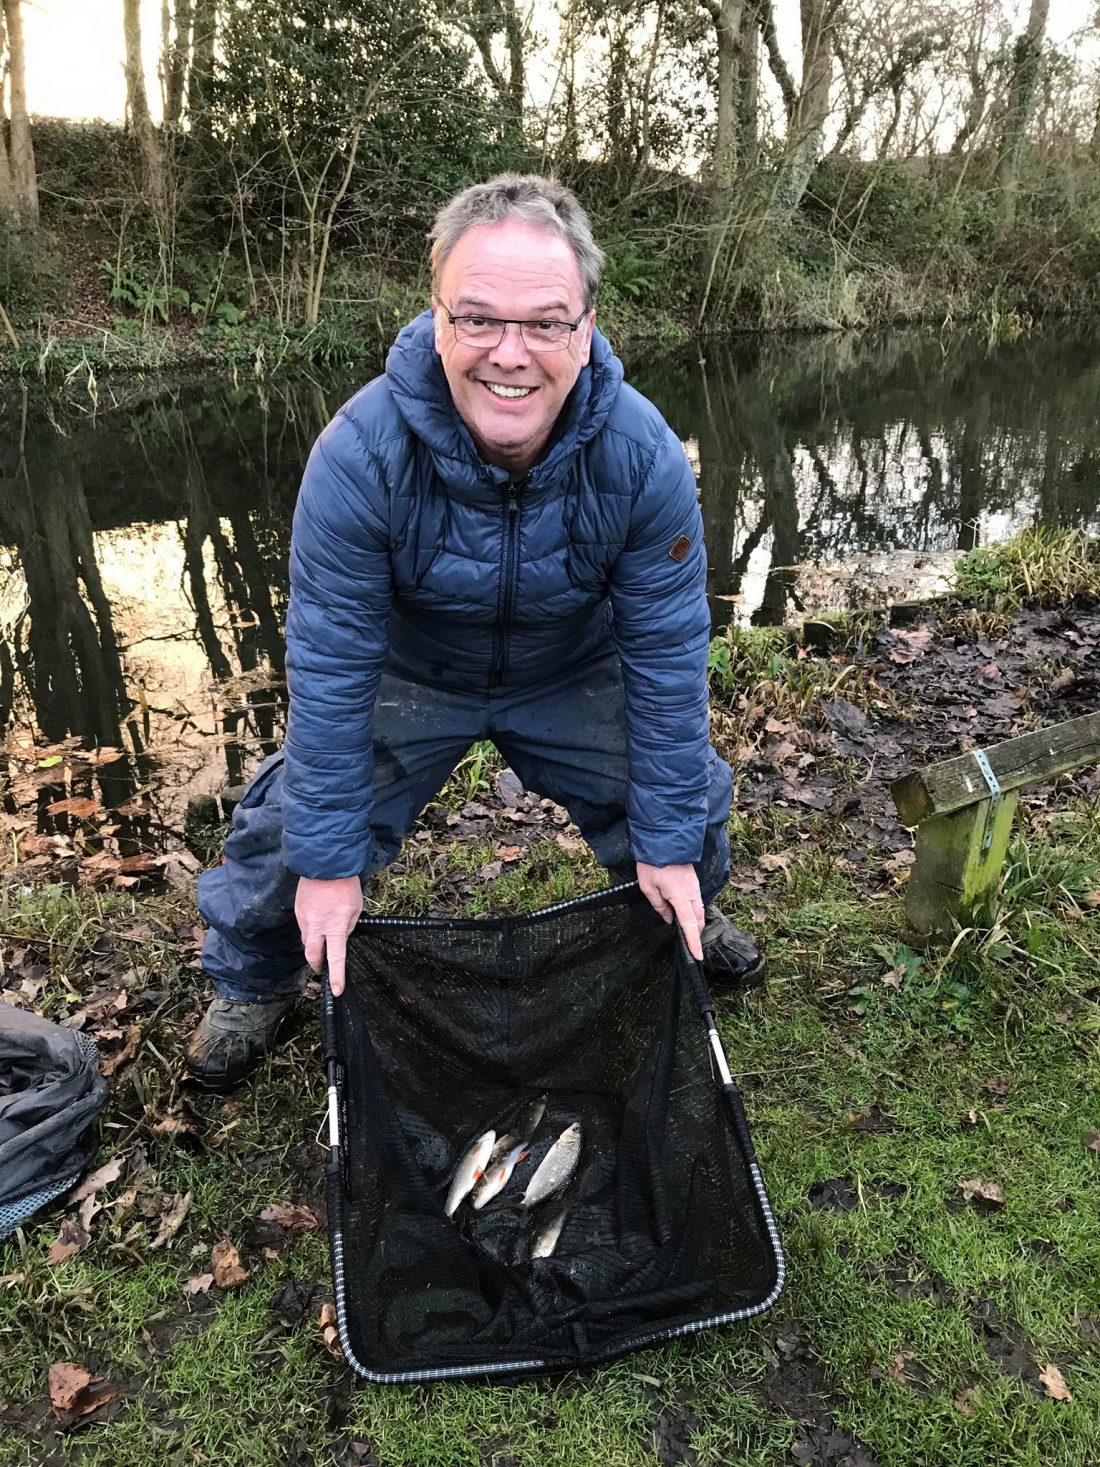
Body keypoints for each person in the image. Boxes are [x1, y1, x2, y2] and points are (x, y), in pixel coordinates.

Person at [186, 174, 763, 1090]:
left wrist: (666, 840)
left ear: (585, 330)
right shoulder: (358, 455)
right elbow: (332, 667)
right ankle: (254, 979)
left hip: (569, 667)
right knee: (291, 825)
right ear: (438, 320)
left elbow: (666, 660)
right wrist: (329, 866)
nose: (511, 353)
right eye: (481, 318)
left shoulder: (644, 455)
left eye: (545, 323)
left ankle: (686, 901)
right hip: (412, 673)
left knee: (684, 795)